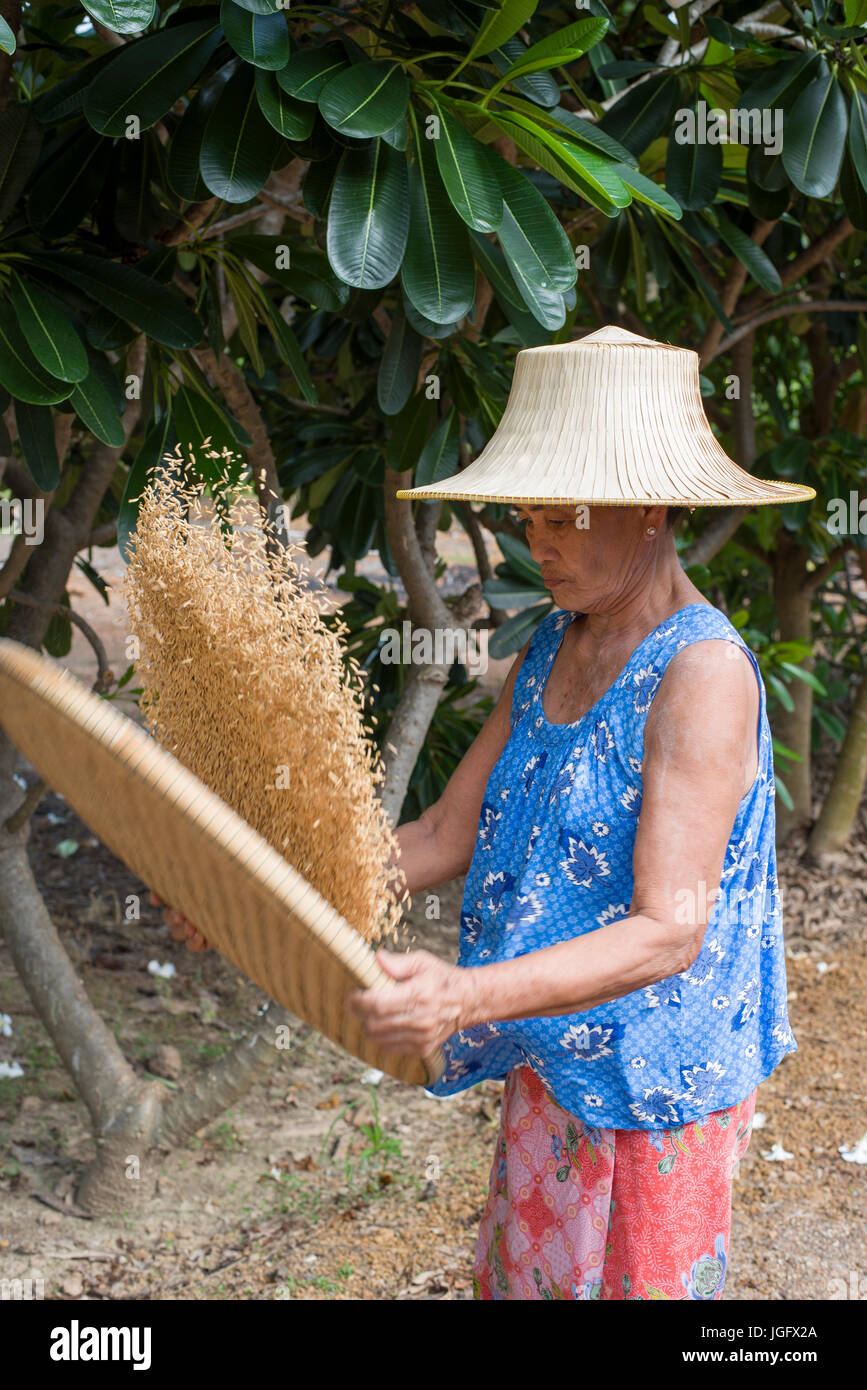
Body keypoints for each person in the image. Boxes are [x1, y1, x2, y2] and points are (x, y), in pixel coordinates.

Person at [158, 327, 815, 1300]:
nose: (535, 539)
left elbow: (668, 932)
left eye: (563, 515)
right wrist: (259, 895)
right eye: (528, 514)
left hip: (652, 1083)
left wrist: (463, 995)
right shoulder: (555, 643)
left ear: (655, 510)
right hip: (552, 1044)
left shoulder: (701, 673)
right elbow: (438, 837)